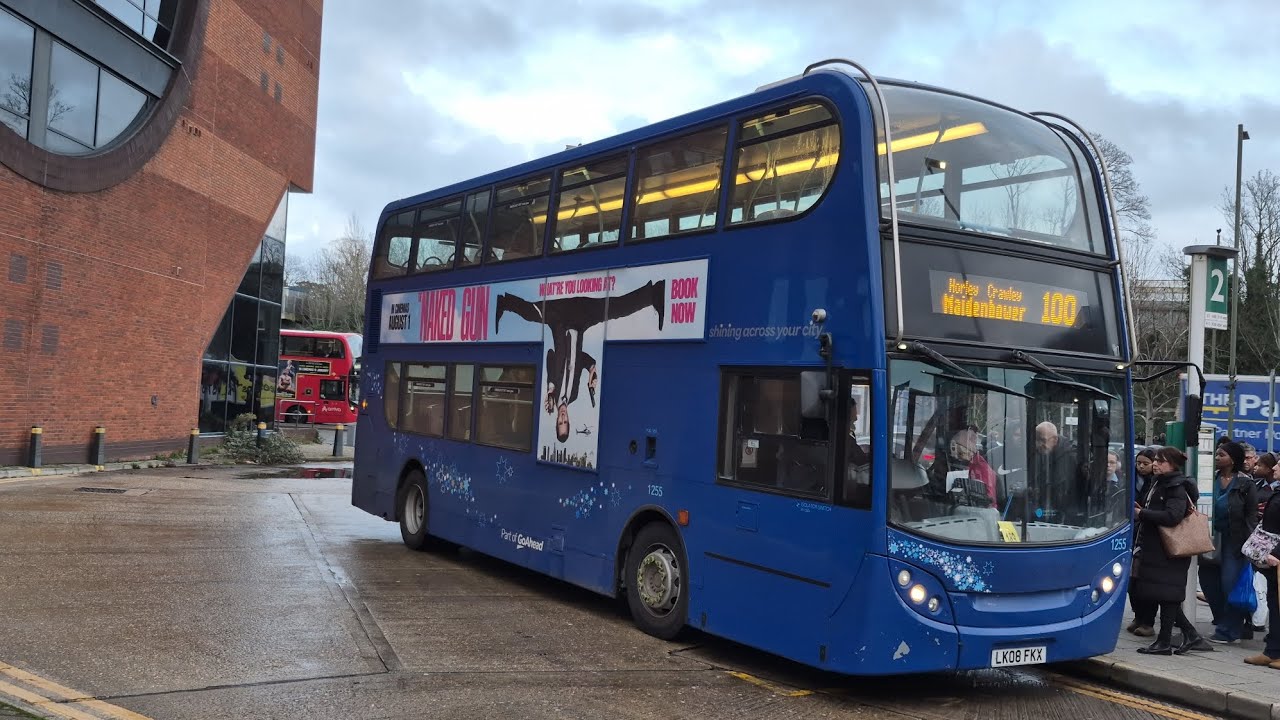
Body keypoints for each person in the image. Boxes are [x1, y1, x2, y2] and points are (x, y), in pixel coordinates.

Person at [495, 279, 665, 442]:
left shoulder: (553, 394)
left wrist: (551, 389)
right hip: (580, 318)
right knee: (614, 309)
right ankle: (653, 293)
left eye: (560, 422)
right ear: (569, 420)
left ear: (556, 421)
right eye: (566, 422)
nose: (563, 418)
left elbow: (550, 355)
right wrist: (591, 369)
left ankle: (504, 302)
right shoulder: (574, 395)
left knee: (531, 312)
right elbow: (581, 358)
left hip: (560, 319)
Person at [1131, 447, 1212, 655]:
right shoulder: (1158, 482)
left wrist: (1142, 513)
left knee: (1167, 596)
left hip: (1169, 549)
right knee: (1164, 595)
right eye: (1155, 460)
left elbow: (1172, 516)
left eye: (1161, 461)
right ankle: (1188, 636)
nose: (1155, 464)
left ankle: (1165, 642)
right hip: (1157, 548)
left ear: (1173, 465)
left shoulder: (1176, 486)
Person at [1202, 441, 1261, 644]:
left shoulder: (1245, 484)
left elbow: (1251, 516)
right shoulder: (1209, 479)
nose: (1217, 458)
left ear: (1233, 459)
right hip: (1209, 537)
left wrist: (1250, 545)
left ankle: (1230, 629)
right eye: (1216, 454)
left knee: (1230, 584)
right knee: (1208, 582)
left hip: (1234, 540)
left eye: (1222, 455)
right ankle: (1222, 621)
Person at [1244, 458, 1280, 667]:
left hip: (1277, 556)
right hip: (1273, 559)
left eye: (1279, 464)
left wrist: (1276, 552)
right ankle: (1273, 651)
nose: (1275, 467)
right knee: (1274, 604)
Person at [1127, 447, 1159, 637]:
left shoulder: (1156, 483)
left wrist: (1142, 512)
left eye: (1145, 463)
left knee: (1145, 580)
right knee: (1132, 579)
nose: (1141, 467)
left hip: (1146, 534)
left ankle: (1148, 620)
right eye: (1138, 463)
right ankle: (1138, 616)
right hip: (1131, 532)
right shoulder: (1130, 478)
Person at [1030, 421, 1078, 523]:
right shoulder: (1037, 453)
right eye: (1036, 440)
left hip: (1063, 514)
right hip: (1038, 510)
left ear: (1055, 439)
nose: (1039, 444)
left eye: (1043, 440)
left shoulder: (1070, 456)